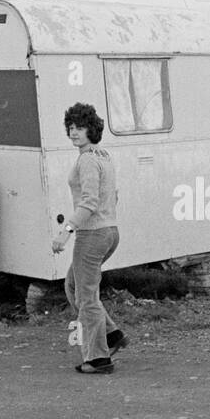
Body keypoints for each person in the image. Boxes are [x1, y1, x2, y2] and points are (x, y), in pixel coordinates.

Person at [52, 103, 127, 372]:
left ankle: (98, 358)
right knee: (74, 285)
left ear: (91, 129)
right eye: (70, 127)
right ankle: (111, 335)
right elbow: (113, 195)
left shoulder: (86, 159)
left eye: (80, 128)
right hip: (109, 231)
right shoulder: (104, 155)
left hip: (92, 234)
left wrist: (65, 232)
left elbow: (89, 203)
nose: (73, 132)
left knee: (85, 296)